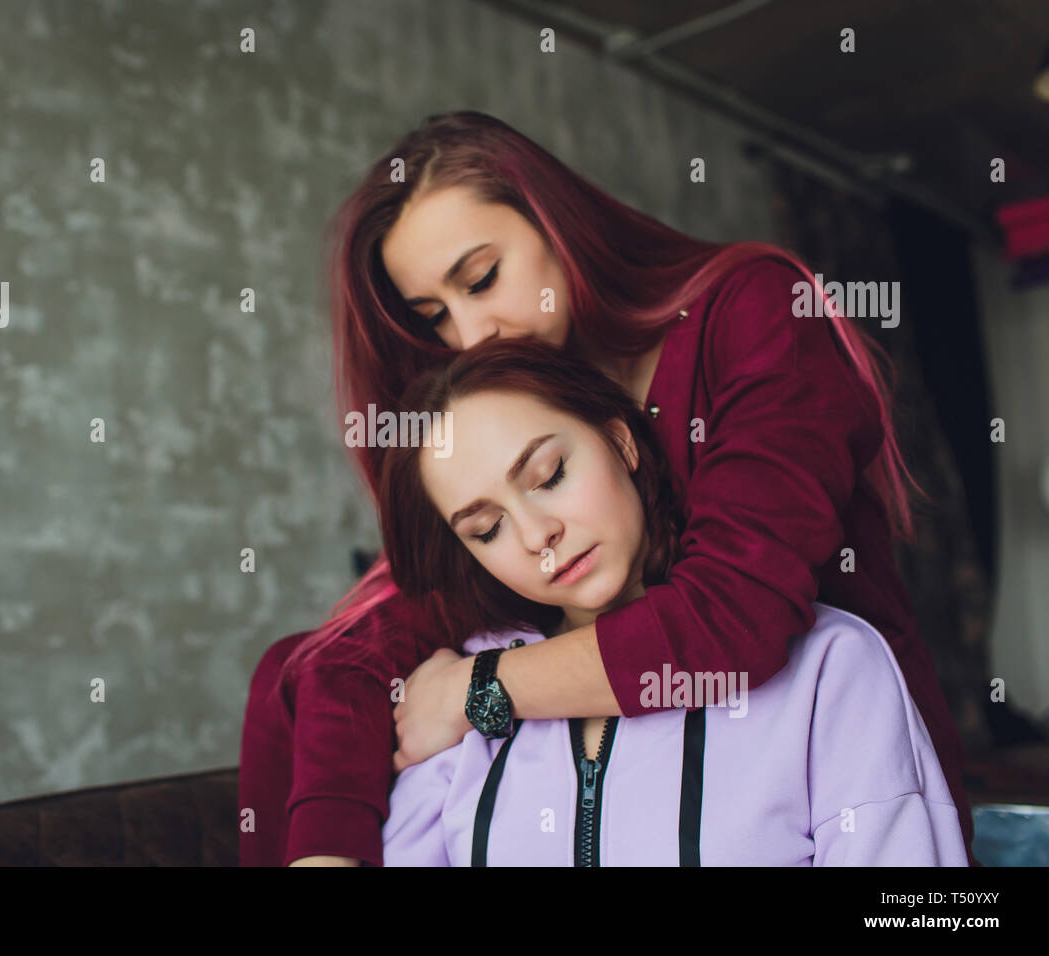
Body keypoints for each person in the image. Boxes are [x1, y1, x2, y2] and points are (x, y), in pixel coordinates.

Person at [238, 110, 978, 866]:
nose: (471, 335)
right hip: (629, 775)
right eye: (436, 318)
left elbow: (733, 615)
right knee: (291, 674)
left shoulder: (752, 313)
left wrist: (478, 691)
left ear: (557, 226)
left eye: (482, 278)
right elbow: (353, 652)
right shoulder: (524, 414)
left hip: (828, 783)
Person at [375, 337, 966, 866]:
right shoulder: (448, 712)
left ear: (619, 440)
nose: (537, 536)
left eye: (550, 474)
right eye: (486, 529)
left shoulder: (830, 670)